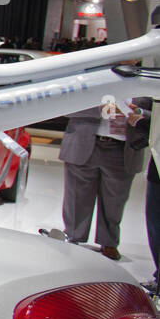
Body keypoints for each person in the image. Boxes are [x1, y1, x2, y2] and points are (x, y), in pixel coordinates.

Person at [59, 97, 149, 260]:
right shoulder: (92, 77)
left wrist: (139, 113)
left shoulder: (142, 83)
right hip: (84, 143)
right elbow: (65, 107)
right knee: (77, 196)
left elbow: (154, 114)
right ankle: (72, 236)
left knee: (115, 201)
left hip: (123, 149)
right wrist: (101, 109)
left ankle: (109, 243)